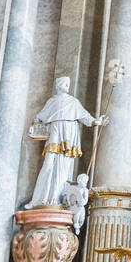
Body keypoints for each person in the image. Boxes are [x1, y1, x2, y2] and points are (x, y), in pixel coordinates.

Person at [25, 76, 106, 208]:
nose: (67, 85)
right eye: (64, 83)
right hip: (55, 132)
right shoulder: (52, 101)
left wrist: (97, 121)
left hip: (69, 134)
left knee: (64, 168)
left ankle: (57, 200)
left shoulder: (73, 102)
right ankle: (37, 200)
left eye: (68, 83)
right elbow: (40, 117)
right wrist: (34, 124)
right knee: (48, 165)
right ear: (58, 85)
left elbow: (85, 117)